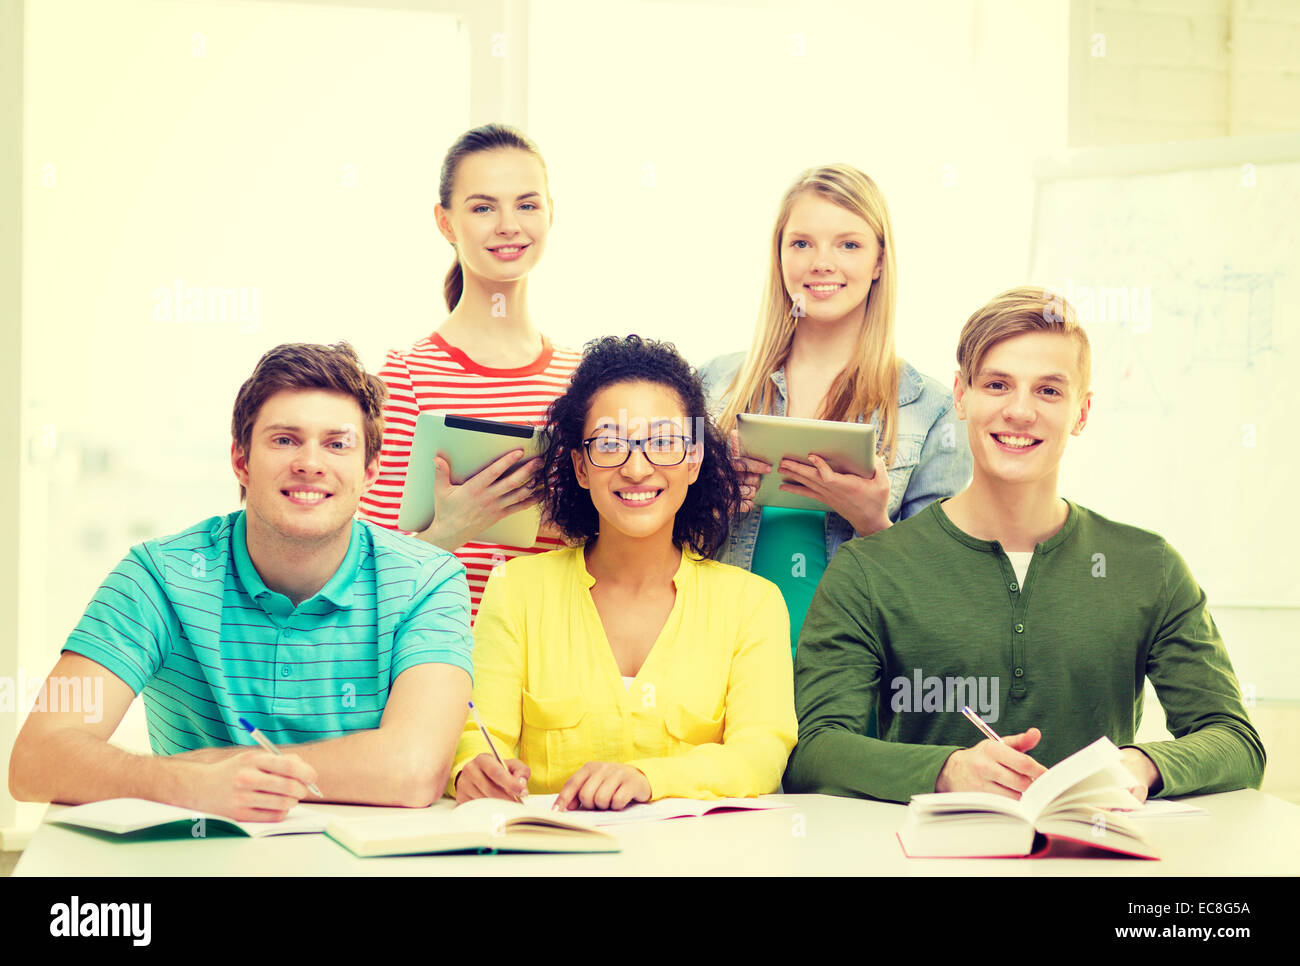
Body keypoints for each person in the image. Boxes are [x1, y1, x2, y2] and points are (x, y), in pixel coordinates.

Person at [784, 287, 1266, 803]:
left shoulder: (1149, 566)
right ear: (961, 397)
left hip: (1091, 857)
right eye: (997, 384)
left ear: (1082, 412)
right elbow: (816, 752)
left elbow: (1237, 741)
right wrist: (944, 770)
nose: (1019, 411)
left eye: (1049, 391)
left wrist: (1141, 763)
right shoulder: (868, 569)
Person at [9, 343, 474, 821]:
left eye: (337, 444)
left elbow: (415, 770)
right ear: (241, 461)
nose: (310, 463)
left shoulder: (427, 581)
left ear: (370, 471)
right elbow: (38, 760)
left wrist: (215, 767)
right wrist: (186, 785)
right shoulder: (157, 576)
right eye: (285, 439)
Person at [452, 335, 796, 811]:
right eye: (611, 444)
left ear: (693, 460)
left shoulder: (753, 604)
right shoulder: (516, 591)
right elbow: (477, 736)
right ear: (580, 467)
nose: (637, 468)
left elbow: (761, 755)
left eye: (663, 443)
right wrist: (472, 771)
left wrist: (647, 778)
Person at [699, 164, 971, 658]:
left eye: (848, 244)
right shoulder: (714, 386)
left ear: (879, 261)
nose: (821, 263)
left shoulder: (931, 411)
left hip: (850, 682)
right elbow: (650, 547)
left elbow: (945, 598)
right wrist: (711, 504)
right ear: (779, 256)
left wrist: (874, 524)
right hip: (719, 668)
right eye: (802, 243)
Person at [358, 124, 580, 616]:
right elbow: (370, 570)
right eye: (483, 207)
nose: (508, 225)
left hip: (555, 665)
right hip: (441, 660)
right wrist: (453, 528)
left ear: (550, 213)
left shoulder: (581, 378)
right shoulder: (407, 376)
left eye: (527, 204)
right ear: (446, 222)